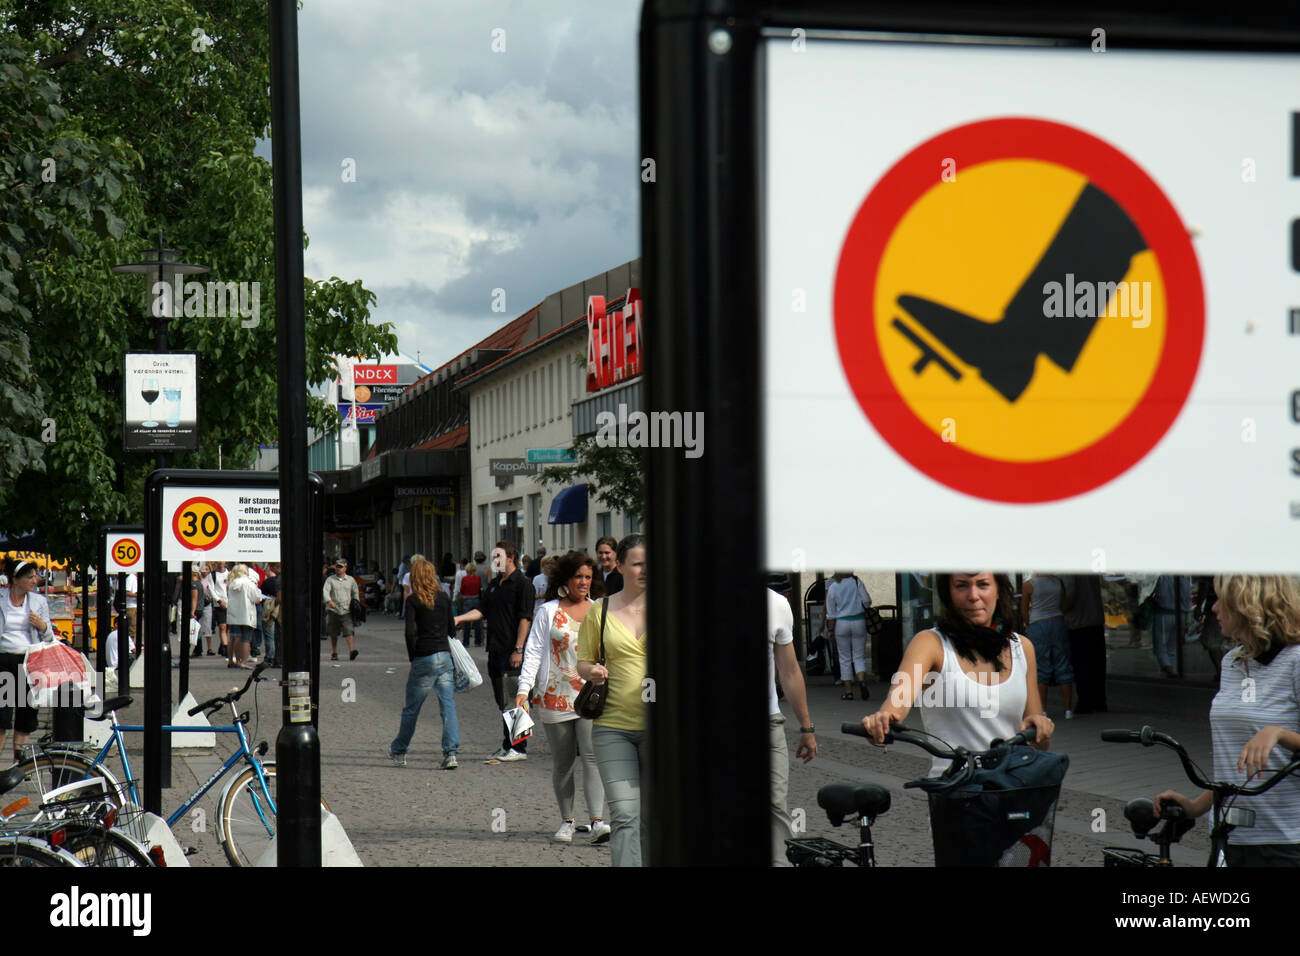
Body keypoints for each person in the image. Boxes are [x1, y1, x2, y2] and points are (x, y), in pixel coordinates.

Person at [1155, 575, 1300, 865]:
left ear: (1247, 605)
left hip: (1285, 839)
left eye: (1222, 600)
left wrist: (1278, 734)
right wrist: (1195, 807)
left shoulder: (1295, 661)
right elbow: (1236, 764)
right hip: (1228, 834)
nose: (1214, 608)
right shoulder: (1231, 662)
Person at [862, 572, 1054, 776]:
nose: (973, 595)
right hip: (956, 790)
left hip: (1013, 788)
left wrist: (1042, 726)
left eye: (983, 584)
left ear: (998, 590)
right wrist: (881, 720)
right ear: (948, 594)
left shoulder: (1022, 648)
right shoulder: (931, 644)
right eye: (962, 586)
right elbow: (897, 703)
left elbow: (1040, 742)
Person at [514, 551, 610, 844]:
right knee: (564, 762)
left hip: (590, 695)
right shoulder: (547, 611)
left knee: (593, 758)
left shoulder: (599, 610)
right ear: (566, 579)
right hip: (555, 695)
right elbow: (532, 652)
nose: (583, 582)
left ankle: (597, 821)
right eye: (578, 576)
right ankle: (567, 820)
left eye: (588, 577)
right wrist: (523, 689)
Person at [577, 534, 647, 866]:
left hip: (661, 727)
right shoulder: (600, 610)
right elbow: (584, 660)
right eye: (637, 564)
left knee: (654, 818)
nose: (646, 570)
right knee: (624, 814)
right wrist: (591, 671)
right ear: (619, 566)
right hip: (613, 727)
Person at [455, 542, 534, 762]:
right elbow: (481, 610)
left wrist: (519, 648)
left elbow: (525, 618)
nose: (495, 560)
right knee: (503, 700)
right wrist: (459, 618)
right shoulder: (494, 585)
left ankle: (519, 748)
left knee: (516, 698)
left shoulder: (523, 584)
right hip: (495, 649)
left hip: (512, 650)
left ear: (511, 557)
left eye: (498, 556)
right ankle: (507, 744)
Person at [389, 558, 461, 770]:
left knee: (412, 708)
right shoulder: (444, 598)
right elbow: (451, 630)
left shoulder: (412, 600)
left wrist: (414, 656)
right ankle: (451, 753)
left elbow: (409, 632)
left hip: (424, 656)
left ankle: (400, 750)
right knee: (448, 706)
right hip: (444, 655)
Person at [767, 573, 817, 867]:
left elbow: (789, 670)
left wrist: (807, 728)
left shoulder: (776, 604)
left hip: (769, 723)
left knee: (774, 803)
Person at [0, 559, 55, 763]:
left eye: (35, 576)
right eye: (29, 576)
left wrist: (42, 626)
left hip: (29, 661)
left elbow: (49, 636)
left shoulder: (38, 602)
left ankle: (19, 762)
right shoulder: (1, 599)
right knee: (2, 716)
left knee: (26, 714)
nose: (35, 580)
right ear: (15, 580)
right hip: (3, 660)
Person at [1021, 573, 1075, 719]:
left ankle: (1042, 710)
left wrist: (1028, 624)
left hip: (1037, 625)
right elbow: (1063, 605)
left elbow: (1024, 610)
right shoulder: (1058, 582)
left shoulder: (1029, 584)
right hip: (1058, 622)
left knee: (1041, 668)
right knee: (1063, 664)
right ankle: (1068, 709)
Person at [1063, 574, 1106, 714]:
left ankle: (1085, 701)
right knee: (1097, 663)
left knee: (1082, 664)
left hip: (1078, 621)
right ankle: (1100, 701)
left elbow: (1069, 594)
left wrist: (1061, 607)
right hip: (1095, 619)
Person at [825, 571, 872, 701]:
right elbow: (867, 601)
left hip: (841, 623)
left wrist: (830, 630)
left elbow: (831, 612)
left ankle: (848, 691)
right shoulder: (857, 582)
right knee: (859, 656)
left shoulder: (833, 586)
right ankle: (862, 681)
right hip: (859, 622)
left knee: (844, 658)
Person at [225, 563, 263, 669]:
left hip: (234, 614)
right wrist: (259, 593)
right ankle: (244, 661)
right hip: (246, 614)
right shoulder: (249, 583)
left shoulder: (232, 583)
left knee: (234, 637)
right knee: (246, 639)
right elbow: (256, 598)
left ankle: (236, 660)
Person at [323, 558, 361, 662]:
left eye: (340, 567)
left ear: (345, 568)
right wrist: (329, 601)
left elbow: (355, 592)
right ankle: (334, 652)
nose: (338, 569)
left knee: (349, 630)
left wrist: (356, 603)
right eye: (337, 567)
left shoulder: (350, 580)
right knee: (333, 632)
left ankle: (352, 651)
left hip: (346, 609)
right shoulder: (330, 580)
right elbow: (325, 591)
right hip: (333, 609)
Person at [456, 560, 483, 646]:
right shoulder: (478, 578)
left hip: (467, 599)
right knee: (478, 621)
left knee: (466, 621)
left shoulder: (465, 579)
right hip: (476, 599)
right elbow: (479, 588)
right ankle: (478, 641)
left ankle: (466, 641)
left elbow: (462, 590)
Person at [259, 563, 281, 667]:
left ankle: (270, 658)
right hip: (281, 611)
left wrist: (271, 607)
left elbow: (279, 597)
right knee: (278, 636)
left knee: (270, 636)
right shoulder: (283, 578)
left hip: (274, 610)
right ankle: (278, 658)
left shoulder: (273, 581)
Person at [210, 561, 230, 657]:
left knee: (227, 628)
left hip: (230, 604)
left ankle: (222, 645)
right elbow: (211, 589)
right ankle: (226, 649)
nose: (221, 563)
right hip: (219, 605)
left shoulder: (230, 574)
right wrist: (219, 601)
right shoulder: (213, 575)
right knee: (222, 627)